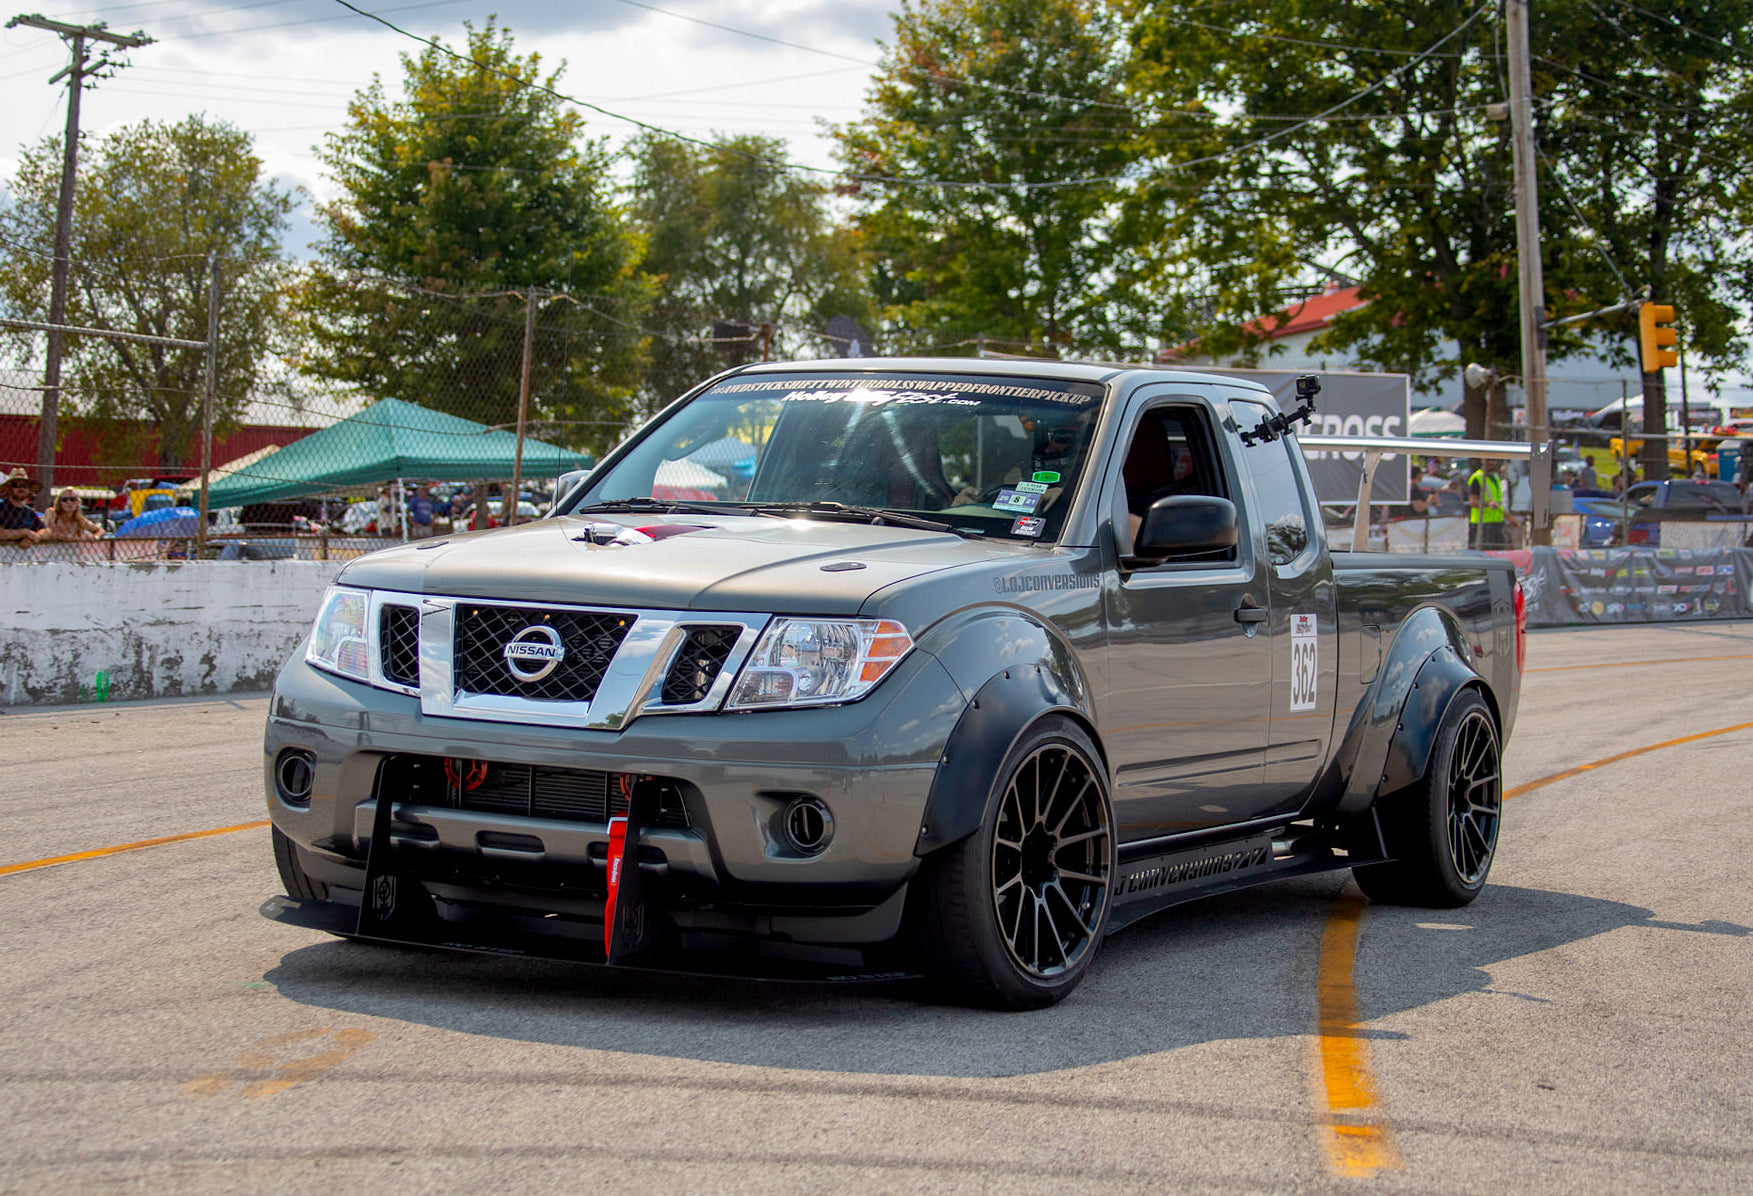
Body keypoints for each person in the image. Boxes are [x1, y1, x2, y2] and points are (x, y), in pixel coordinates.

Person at [1467, 458, 1517, 550]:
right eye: (1489, 460)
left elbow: (1498, 504)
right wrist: (1488, 504)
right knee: (1482, 554)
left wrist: (1510, 518)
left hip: (1497, 523)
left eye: (1493, 460)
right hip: (1482, 524)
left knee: (1497, 554)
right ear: (1482, 460)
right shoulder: (1477, 478)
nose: (1492, 463)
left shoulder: (1496, 478)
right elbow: (1473, 502)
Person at [0, 468, 46, 547]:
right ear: (8, 488)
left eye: (24, 486)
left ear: (29, 490)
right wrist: (24, 532)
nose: (21, 488)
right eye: (16, 485)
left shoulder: (29, 512)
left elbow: (44, 530)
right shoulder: (1, 509)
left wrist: (33, 537)